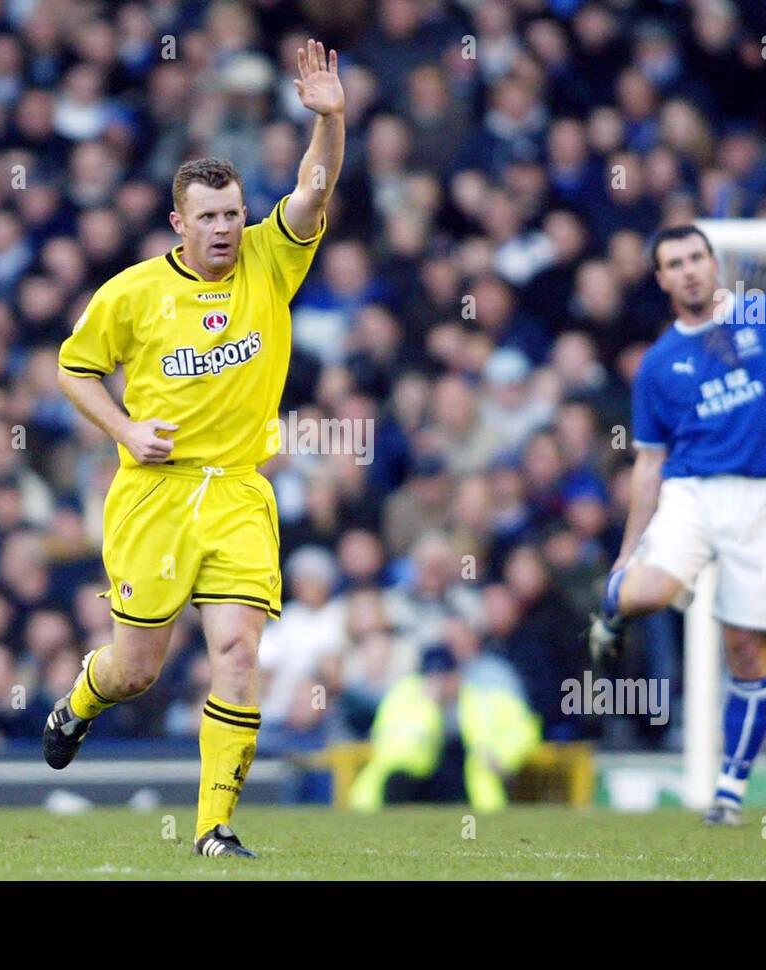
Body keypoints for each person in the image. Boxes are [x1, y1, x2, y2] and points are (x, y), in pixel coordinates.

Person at [43, 40, 346, 859]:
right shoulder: (133, 294)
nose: (224, 229)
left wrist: (331, 117)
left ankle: (215, 827)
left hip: (241, 491)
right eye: (208, 217)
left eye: (232, 214)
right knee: (136, 669)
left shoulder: (269, 259)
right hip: (155, 494)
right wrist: (125, 430)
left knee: (240, 652)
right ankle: (77, 703)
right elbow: (73, 369)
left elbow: (314, 190)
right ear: (179, 222)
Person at [589, 224, 766, 825]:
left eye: (697, 257)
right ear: (661, 279)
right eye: (675, 263)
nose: (690, 269)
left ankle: (729, 792)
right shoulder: (659, 363)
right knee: (649, 591)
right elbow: (649, 464)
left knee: (747, 650)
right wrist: (625, 550)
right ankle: (613, 606)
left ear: (713, 263)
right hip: (693, 493)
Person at [348, 644, 539, 813]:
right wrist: (429, 708)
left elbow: (524, 727)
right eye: (432, 677)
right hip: (417, 783)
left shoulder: (483, 700)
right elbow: (397, 752)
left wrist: (502, 756)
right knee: (398, 782)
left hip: (469, 789)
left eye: (444, 676)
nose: (439, 683)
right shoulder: (404, 697)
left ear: (456, 675)